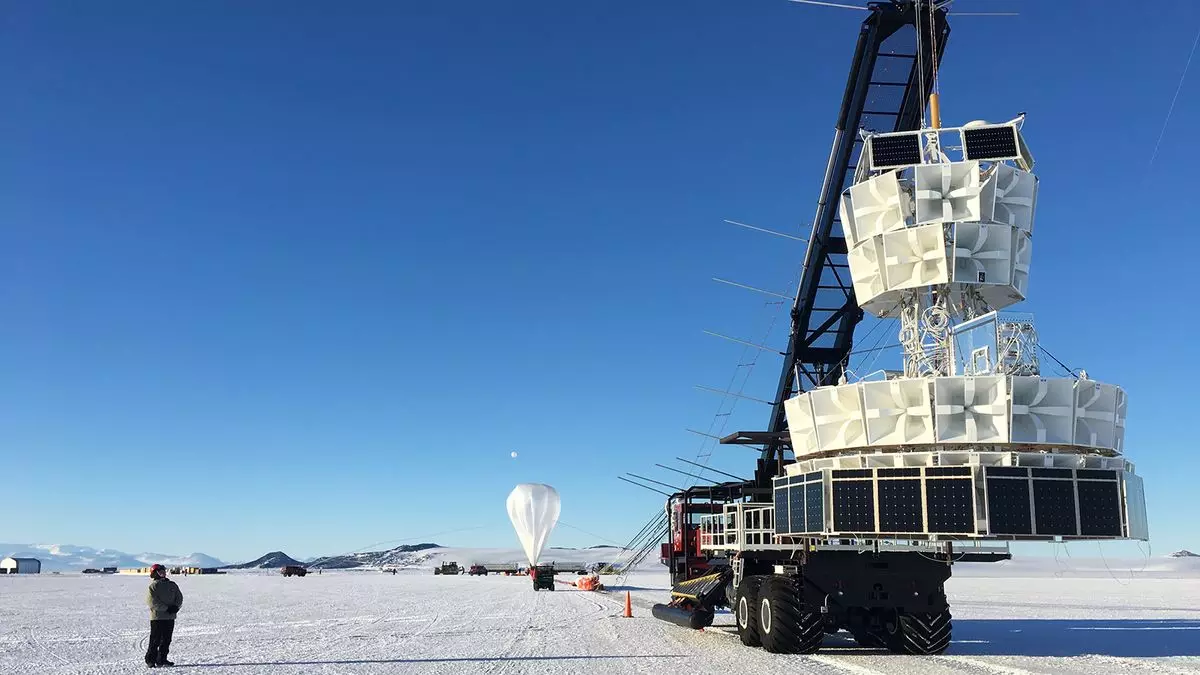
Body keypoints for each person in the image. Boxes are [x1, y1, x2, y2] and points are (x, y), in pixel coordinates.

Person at [144, 564, 183, 668]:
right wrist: (166, 608)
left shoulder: (172, 585)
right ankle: (150, 660)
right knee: (155, 640)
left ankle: (162, 659)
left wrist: (175, 607)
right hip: (157, 617)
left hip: (170, 617)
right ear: (154, 573)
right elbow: (151, 601)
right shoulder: (154, 586)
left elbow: (179, 597)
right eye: (160, 571)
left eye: (163, 571)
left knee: (166, 639)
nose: (163, 573)